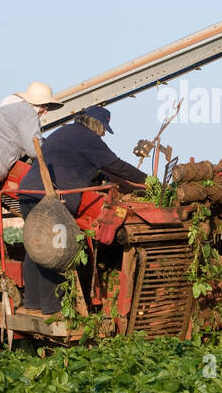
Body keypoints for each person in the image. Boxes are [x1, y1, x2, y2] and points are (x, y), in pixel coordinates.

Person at [17, 105, 148, 314]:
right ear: (95, 124)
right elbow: (116, 166)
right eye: (103, 128)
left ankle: (32, 303)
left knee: (37, 245)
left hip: (29, 192)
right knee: (56, 249)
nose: (103, 133)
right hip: (50, 198)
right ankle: (53, 309)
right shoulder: (88, 138)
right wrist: (146, 181)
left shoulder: (64, 131)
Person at [0, 81, 62, 270]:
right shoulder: (28, 113)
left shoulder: (13, 108)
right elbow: (34, 148)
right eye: (45, 107)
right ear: (39, 105)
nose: (45, 112)